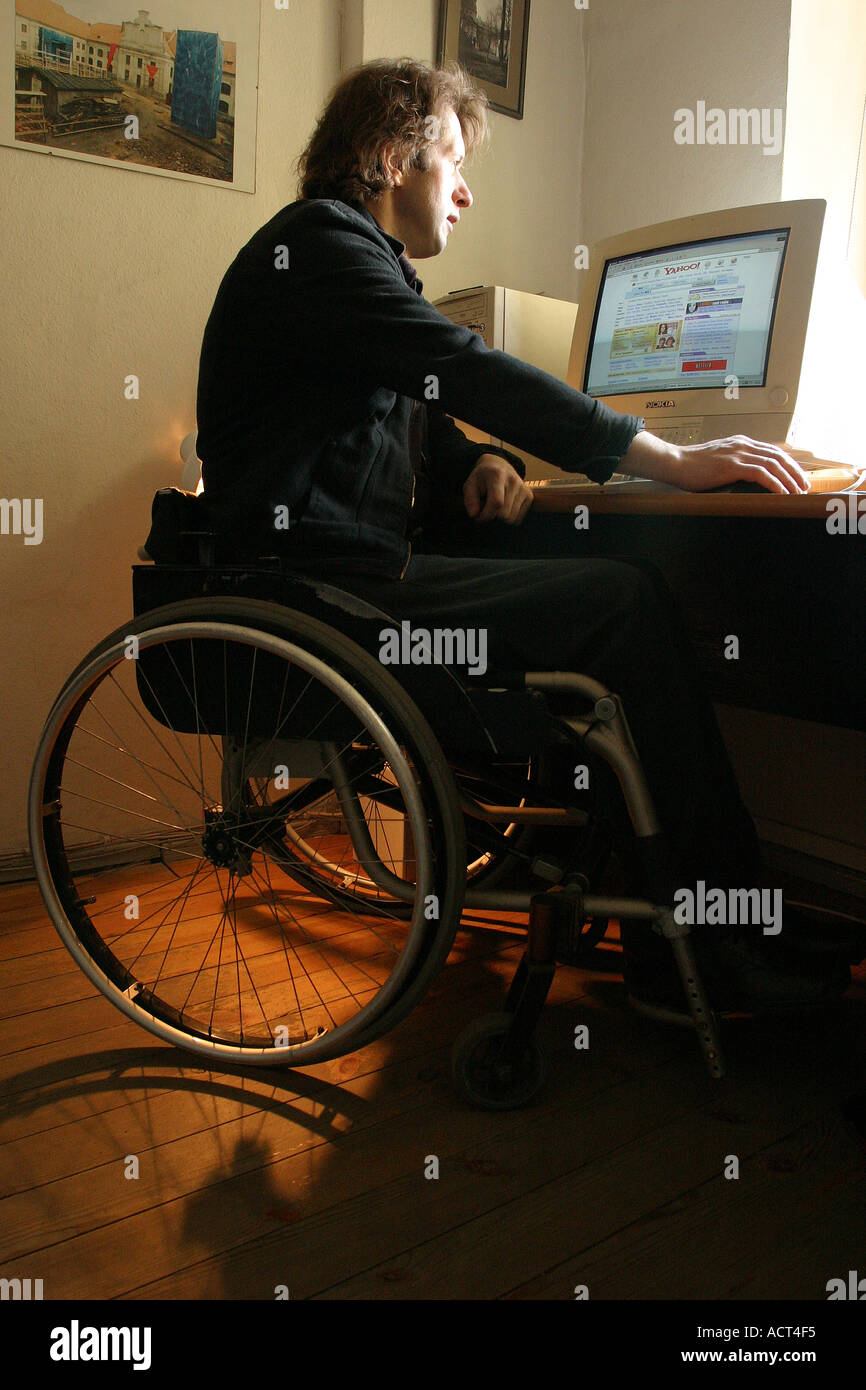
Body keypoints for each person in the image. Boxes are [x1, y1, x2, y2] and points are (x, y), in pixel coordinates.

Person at [194, 58, 862, 1010]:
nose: (463, 190)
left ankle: (677, 906)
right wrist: (671, 461)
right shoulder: (324, 248)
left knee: (587, 571)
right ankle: (703, 949)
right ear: (391, 157)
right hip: (324, 593)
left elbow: (418, 409)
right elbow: (460, 366)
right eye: (450, 162)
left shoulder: (338, 262)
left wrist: (473, 464)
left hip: (337, 576)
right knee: (623, 598)